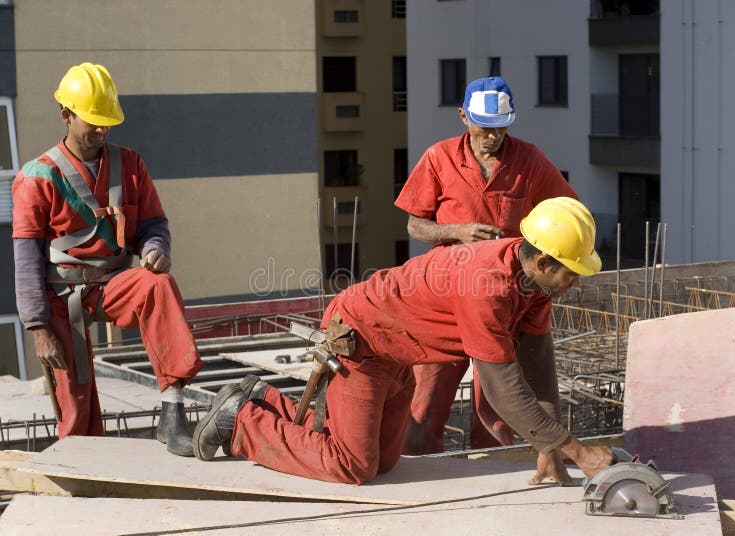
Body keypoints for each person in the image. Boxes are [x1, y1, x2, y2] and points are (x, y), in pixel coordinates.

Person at [193, 197, 615, 485]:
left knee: (386, 461)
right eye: (572, 272)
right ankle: (242, 421)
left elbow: (538, 367)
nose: (575, 283)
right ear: (542, 261)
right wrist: (577, 450)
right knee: (353, 466)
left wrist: (550, 446)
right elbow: (504, 388)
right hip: (360, 338)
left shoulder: (534, 285)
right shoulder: (487, 286)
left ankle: (262, 401)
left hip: (397, 351)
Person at [12, 63, 204, 456]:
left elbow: (154, 224)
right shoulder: (37, 176)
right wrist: (37, 328)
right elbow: (26, 258)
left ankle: (173, 413)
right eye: (93, 122)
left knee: (158, 285)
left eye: (107, 123)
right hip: (59, 294)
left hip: (113, 284)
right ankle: (87, 464)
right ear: (66, 114)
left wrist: (155, 249)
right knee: (75, 395)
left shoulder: (130, 165)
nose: (101, 131)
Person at [394, 76, 577, 453]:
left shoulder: (530, 160)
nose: (492, 136)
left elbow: (565, 211)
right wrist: (458, 231)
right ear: (463, 116)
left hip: (503, 297)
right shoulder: (438, 157)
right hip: (446, 296)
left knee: (497, 401)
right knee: (427, 397)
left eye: (500, 128)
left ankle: (490, 472)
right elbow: (414, 225)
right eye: (484, 127)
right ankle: (420, 468)